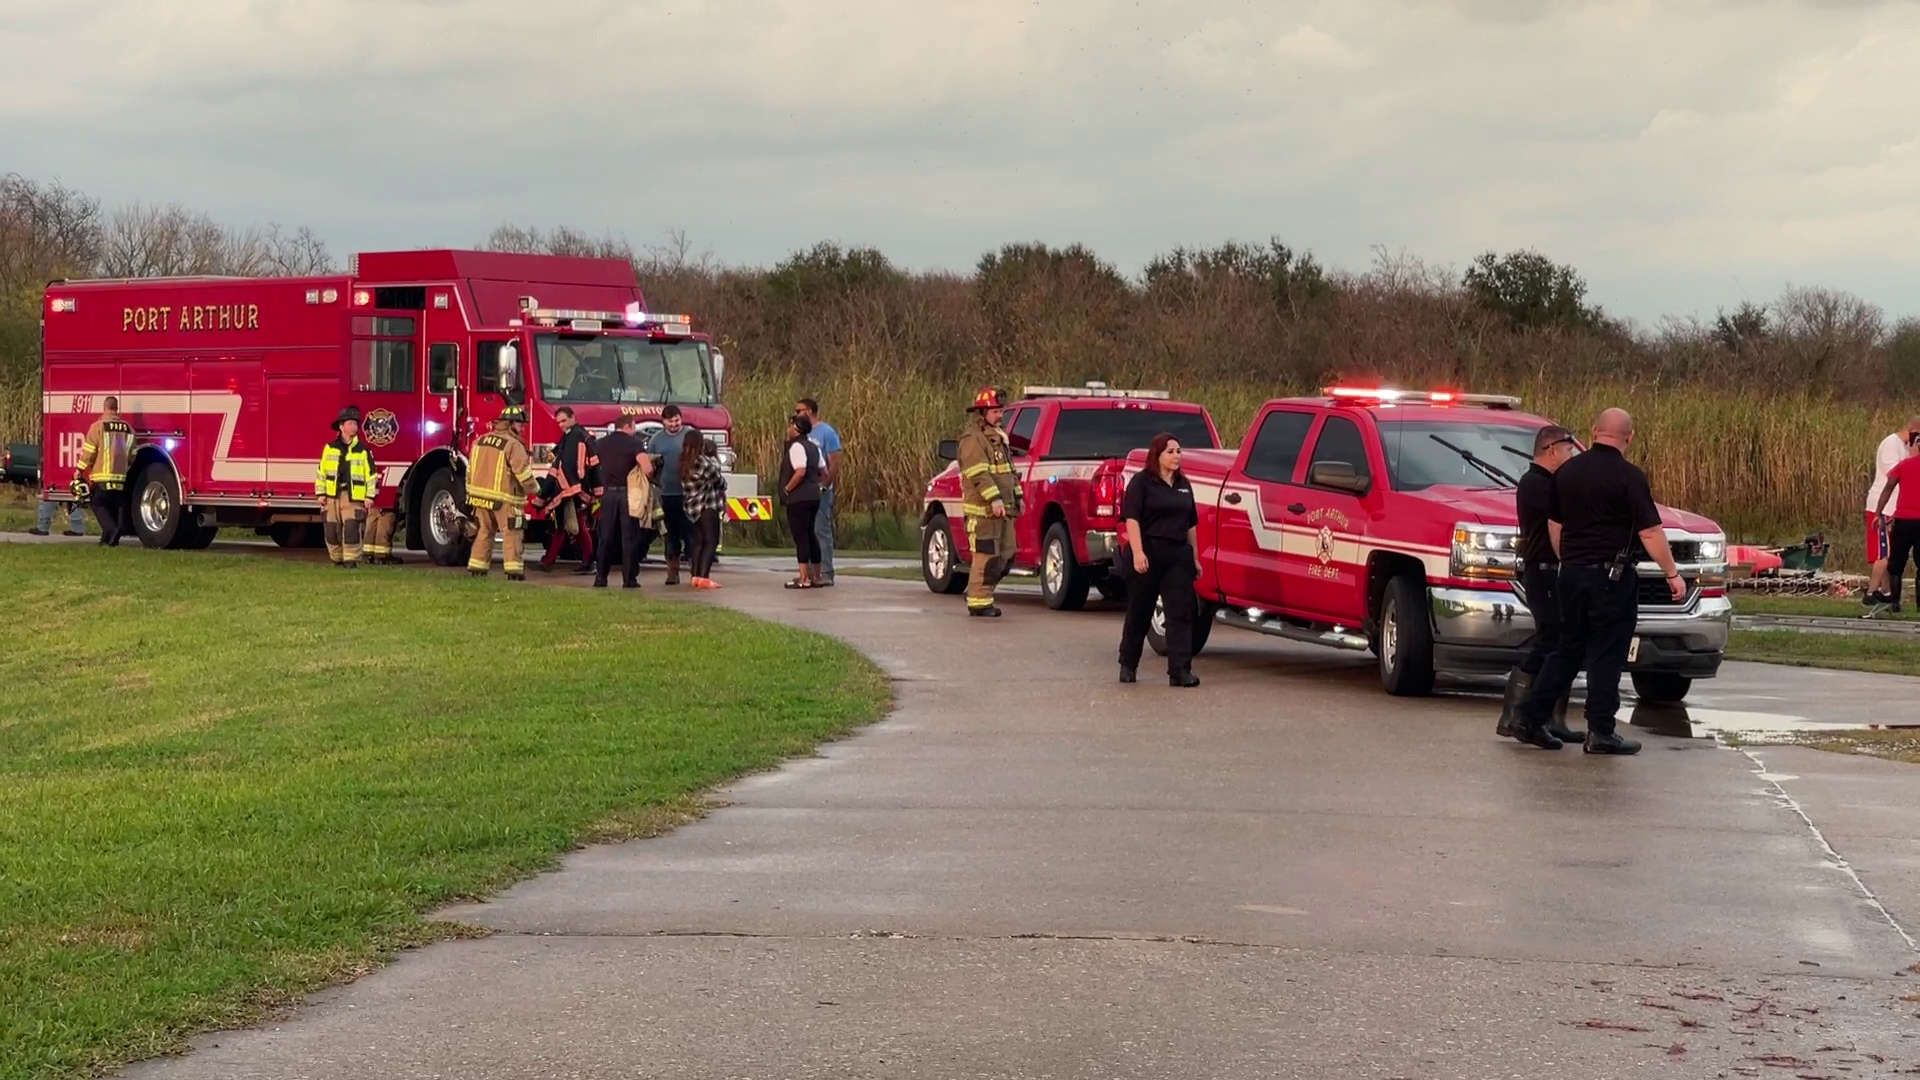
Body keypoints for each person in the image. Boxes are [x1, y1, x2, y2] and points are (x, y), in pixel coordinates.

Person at [1512, 408, 1685, 755]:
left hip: (1571, 574)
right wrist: (1672, 574)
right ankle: (1601, 730)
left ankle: (1528, 717)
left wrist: (1570, 561)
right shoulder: (1630, 477)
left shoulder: (1567, 472)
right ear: (1630, 437)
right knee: (1607, 651)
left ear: (1593, 432)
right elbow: (1650, 532)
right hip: (1611, 576)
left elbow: (1555, 526)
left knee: (1568, 648)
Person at [1496, 424, 1583, 742]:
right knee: (1549, 640)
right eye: (1568, 449)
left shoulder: (1549, 483)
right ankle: (1515, 715)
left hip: (1551, 572)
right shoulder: (1536, 483)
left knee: (1562, 641)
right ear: (1551, 449)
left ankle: (1552, 719)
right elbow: (1559, 521)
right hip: (1542, 570)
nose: (1571, 455)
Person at [1115, 432, 1202, 687]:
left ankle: (1180, 671)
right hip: (1148, 552)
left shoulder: (1184, 484)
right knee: (1140, 612)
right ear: (1158, 455)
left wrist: (1194, 559)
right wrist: (1139, 553)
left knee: (1180, 614)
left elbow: (1191, 525)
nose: (1176, 456)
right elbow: (1132, 519)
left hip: (1177, 556)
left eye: (1178, 451)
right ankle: (1128, 664)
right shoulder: (1142, 483)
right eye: (1170, 451)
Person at [956, 386, 1021, 617]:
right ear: (982, 412)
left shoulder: (998, 437)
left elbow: (1007, 473)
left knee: (1007, 555)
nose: (999, 415)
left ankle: (981, 594)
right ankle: (978, 602)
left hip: (1002, 512)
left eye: (1000, 410)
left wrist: (1017, 498)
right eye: (994, 411)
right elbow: (979, 474)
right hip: (983, 513)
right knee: (986, 557)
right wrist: (994, 499)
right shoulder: (973, 440)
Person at [464, 405, 537, 580]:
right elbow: (523, 474)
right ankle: (514, 571)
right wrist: (536, 489)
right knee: (512, 533)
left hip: (480, 498)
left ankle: (477, 567)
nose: (522, 429)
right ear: (510, 424)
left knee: (484, 531)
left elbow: (470, 471)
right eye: (520, 425)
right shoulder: (513, 444)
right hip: (504, 499)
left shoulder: (479, 441)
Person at [1865, 417, 1920, 606]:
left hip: (1897, 510)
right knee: (1884, 554)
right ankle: (1872, 592)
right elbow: (1893, 475)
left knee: (1890, 554)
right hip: (1884, 507)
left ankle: (1888, 594)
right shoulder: (1891, 444)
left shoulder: (1906, 449)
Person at [314, 405, 377, 568]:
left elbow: (371, 476)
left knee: (351, 530)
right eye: (350, 423)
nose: (354, 426)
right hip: (331, 497)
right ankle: (336, 559)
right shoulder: (330, 448)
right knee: (331, 530)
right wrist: (320, 493)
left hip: (352, 498)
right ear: (341, 427)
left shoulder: (363, 450)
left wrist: (369, 497)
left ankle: (351, 561)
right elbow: (321, 472)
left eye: (355, 423)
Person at [539, 405, 598, 574]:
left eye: (564, 421)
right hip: (572, 490)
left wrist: (546, 494)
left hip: (571, 491)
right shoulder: (578, 436)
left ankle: (586, 562)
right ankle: (551, 560)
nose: (561, 425)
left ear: (573, 417)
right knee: (566, 526)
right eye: (558, 422)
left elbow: (565, 467)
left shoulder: (575, 437)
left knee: (571, 526)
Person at [592, 415, 648, 588]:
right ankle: (629, 579)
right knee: (629, 537)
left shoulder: (601, 444)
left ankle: (601, 577)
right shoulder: (635, 444)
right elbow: (647, 468)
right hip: (628, 494)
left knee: (605, 537)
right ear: (630, 426)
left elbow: (592, 465)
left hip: (608, 494)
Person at [75, 395, 134, 546]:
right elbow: (133, 454)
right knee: (113, 505)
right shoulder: (128, 429)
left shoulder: (98, 427)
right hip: (121, 477)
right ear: (117, 409)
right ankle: (108, 539)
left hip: (102, 475)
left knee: (98, 504)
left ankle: (112, 530)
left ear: (105, 408)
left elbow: (89, 452)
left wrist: (80, 470)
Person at [796, 397, 842, 586]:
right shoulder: (802, 433)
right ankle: (807, 573)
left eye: (799, 411)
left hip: (820, 490)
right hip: (804, 491)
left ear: (810, 411)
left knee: (820, 530)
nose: (796, 414)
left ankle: (826, 572)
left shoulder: (827, 433)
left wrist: (825, 485)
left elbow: (834, 462)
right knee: (806, 532)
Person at [646, 405, 694, 584]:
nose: (674, 424)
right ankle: (672, 573)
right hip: (667, 493)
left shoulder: (690, 435)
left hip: (689, 494)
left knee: (691, 533)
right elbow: (650, 464)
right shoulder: (656, 440)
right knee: (670, 535)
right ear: (663, 421)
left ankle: (696, 572)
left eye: (677, 421)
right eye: (670, 422)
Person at [781, 413, 825, 588]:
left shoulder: (796, 447)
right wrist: (816, 484)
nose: (788, 429)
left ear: (796, 428)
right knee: (810, 535)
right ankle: (817, 576)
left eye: (791, 426)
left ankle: (803, 578)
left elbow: (800, 471)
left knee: (801, 537)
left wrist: (787, 488)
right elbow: (824, 471)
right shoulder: (814, 447)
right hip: (814, 495)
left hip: (799, 497)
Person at [682, 432, 729, 589]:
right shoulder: (703, 463)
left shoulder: (683, 461)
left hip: (691, 506)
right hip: (707, 504)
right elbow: (721, 482)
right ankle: (704, 577)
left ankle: (695, 576)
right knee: (711, 541)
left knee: (698, 542)